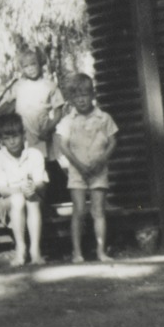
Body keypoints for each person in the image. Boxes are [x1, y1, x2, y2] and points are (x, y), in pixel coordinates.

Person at [52, 72, 116, 263]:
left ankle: (101, 252)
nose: (81, 100)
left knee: (98, 211)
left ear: (93, 95)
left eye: (85, 95)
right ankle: (77, 253)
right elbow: (63, 146)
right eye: (77, 96)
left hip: (99, 171)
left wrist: (102, 160)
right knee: (79, 211)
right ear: (71, 99)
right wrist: (78, 165)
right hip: (76, 172)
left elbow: (113, 142)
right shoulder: (67, 121)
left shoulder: (104, 118)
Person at [0, 112, 47, 266]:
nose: (12, 142)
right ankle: (20, 249)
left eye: (15, 136)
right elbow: (0, 190)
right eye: (6, 138)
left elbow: (41, 184)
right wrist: (20, 189)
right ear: (1, 140)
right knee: (18, 199)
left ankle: (35, 250)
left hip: (32, 199)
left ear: (23, 135)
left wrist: (33, 186)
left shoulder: (35, 154)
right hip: (9, 202)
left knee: (32, 200)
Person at [10, 51, 61, 153]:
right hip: (23, 132)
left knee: (44, 163)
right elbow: (7, 105)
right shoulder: (18, 86)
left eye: (33, 64)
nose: (31, 68)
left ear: (40, 63)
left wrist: (48, 129)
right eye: (26, 66)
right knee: (25, 162)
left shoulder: (50, 85)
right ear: (22, 69)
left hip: (42, 132)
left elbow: (58, 112)